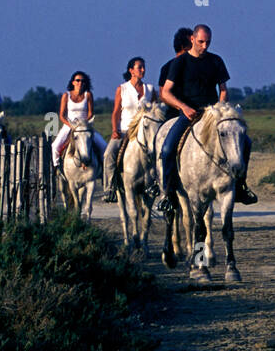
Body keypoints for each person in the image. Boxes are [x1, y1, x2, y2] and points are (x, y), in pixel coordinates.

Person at [156, 24, 257, 214]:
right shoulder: (180, 63)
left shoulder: (216, 61)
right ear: (192, 39)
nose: (204, 46)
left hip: (212, 115)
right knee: (168, 147)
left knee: (246, 142)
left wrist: (220, 108)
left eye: (208, 42)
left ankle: (241, 186)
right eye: (201, 42)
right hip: (188, 114)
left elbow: (224, 89)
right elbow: (166, 93)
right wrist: (184, 107)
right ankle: (167, 194)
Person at [102, 56, 157, 202]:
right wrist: (115, 130)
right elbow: (116, 112)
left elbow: (155, 112)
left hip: (144, 131)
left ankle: (160, 185)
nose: (143, 70)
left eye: (144, 67)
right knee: (108, 154)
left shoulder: (150, 89)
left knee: (159, 153)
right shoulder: (122, 89)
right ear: (131, 70)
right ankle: (109, 188)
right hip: (125, 129)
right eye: (140, 67)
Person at [52, 71, 107, 168]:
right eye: (77, 80)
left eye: (82, 81)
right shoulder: (66, 95)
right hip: (70, 125)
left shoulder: (88, 95)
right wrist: (71, 126)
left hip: (84, 126)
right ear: (73, 82)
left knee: (103, 146)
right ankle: (57, 168)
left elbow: (90, 113)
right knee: (55, 146)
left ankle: (104, 169)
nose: (80, 83)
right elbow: (62, 115)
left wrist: (84, 123)